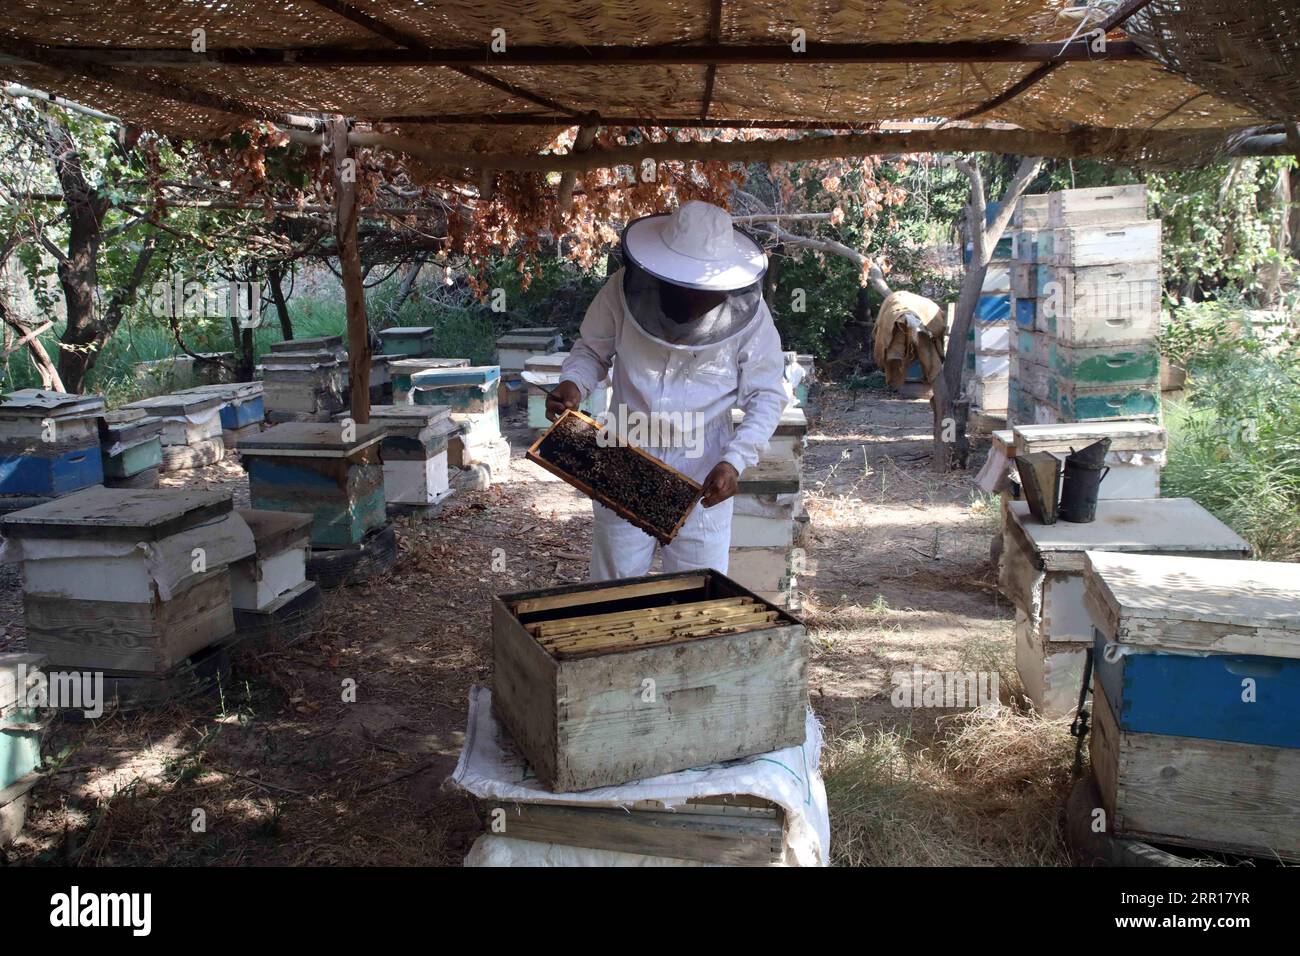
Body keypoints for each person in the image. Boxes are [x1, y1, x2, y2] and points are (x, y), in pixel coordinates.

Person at [547, 200, 788, 581]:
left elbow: (767, 395)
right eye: (682, 284)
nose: (692, 296)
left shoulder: (752, 317)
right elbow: (592, 350)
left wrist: (734, 461)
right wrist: (573, 383)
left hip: (703, 471)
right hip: (623, 458)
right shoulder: (620, 292)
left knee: (696, 594)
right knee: (615, 587)